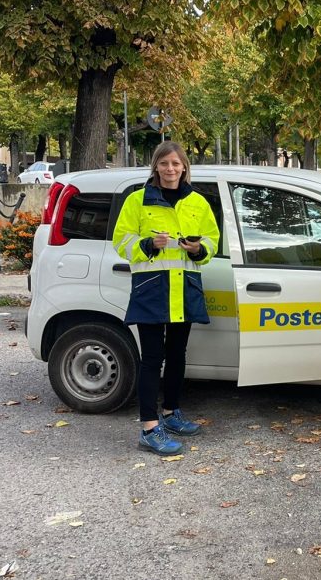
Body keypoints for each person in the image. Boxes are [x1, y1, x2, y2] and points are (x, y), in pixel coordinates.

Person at [112, 141, 220, 456]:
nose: (170, 169)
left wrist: (199, 249)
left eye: (175, 163)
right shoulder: (137, 200)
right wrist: (147, 244)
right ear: (156, 167)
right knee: (150, 359)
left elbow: (212, 240)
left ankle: (172, 413)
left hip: (184, 289)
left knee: (177, 355)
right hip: (152, 289)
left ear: (184, 167)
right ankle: (148, 426)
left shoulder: (197, 202)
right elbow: (121, 241)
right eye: (164, 164)